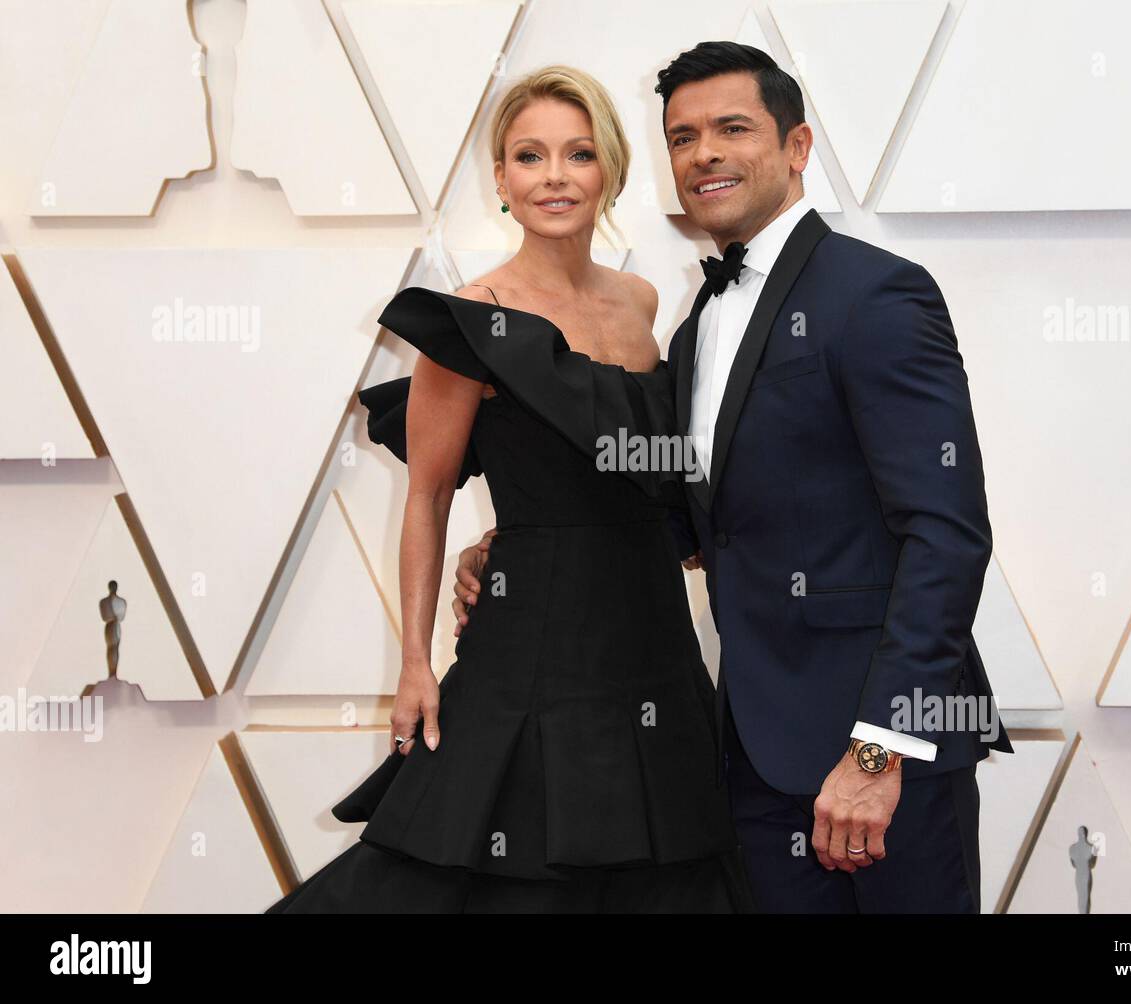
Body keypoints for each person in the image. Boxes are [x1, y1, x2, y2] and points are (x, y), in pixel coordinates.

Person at [452, 42, 1014, 913]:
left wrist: (877, 753)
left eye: (731, 128)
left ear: (796, 147)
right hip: (748, 753)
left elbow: (947, 533)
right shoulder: (698, 323)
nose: (703, 153)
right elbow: (696, 520)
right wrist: (524, 545)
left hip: (879, 760)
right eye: (682, 137)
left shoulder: (877, 295)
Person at [266, 65, 751, 914]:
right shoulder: (470, 314)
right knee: (491, 870)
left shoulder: (641, 303)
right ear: (501, 178)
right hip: (531, 643)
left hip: (653, 636)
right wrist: (415, 663)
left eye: (577, 153)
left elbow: (659, 476)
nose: (554, 176)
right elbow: (428, 494)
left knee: (664, 858)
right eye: (530, 156)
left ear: (610, 171)